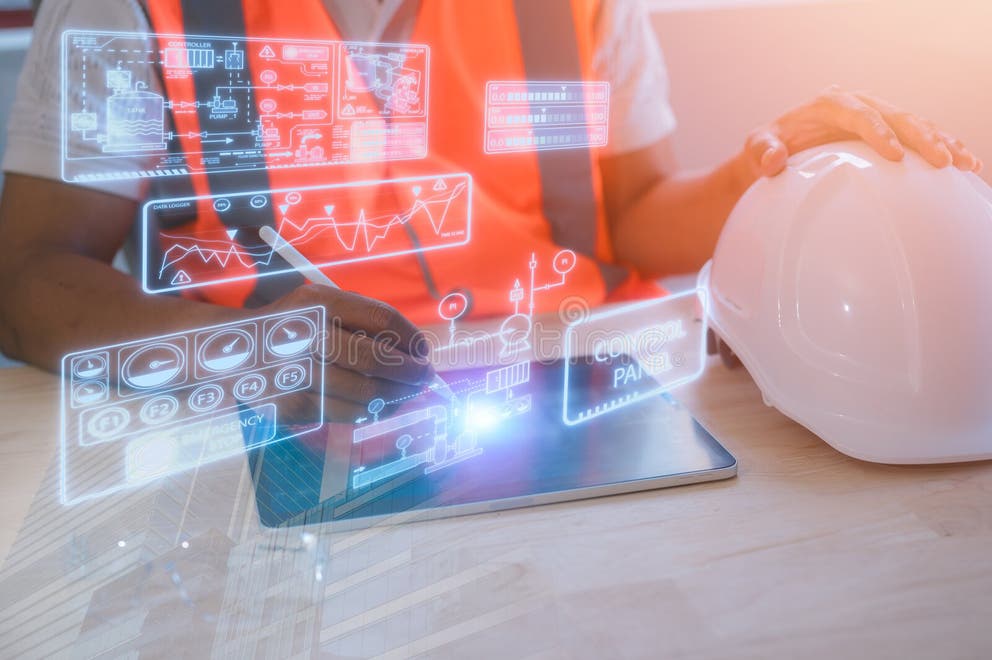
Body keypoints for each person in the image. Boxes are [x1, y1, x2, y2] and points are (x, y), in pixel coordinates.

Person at [0, 0, 981, 422]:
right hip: (281, 411)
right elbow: (30, 275)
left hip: (592, 386)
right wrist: (245, 353)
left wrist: (759, 174)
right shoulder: (130, 6)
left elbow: (631, 213)